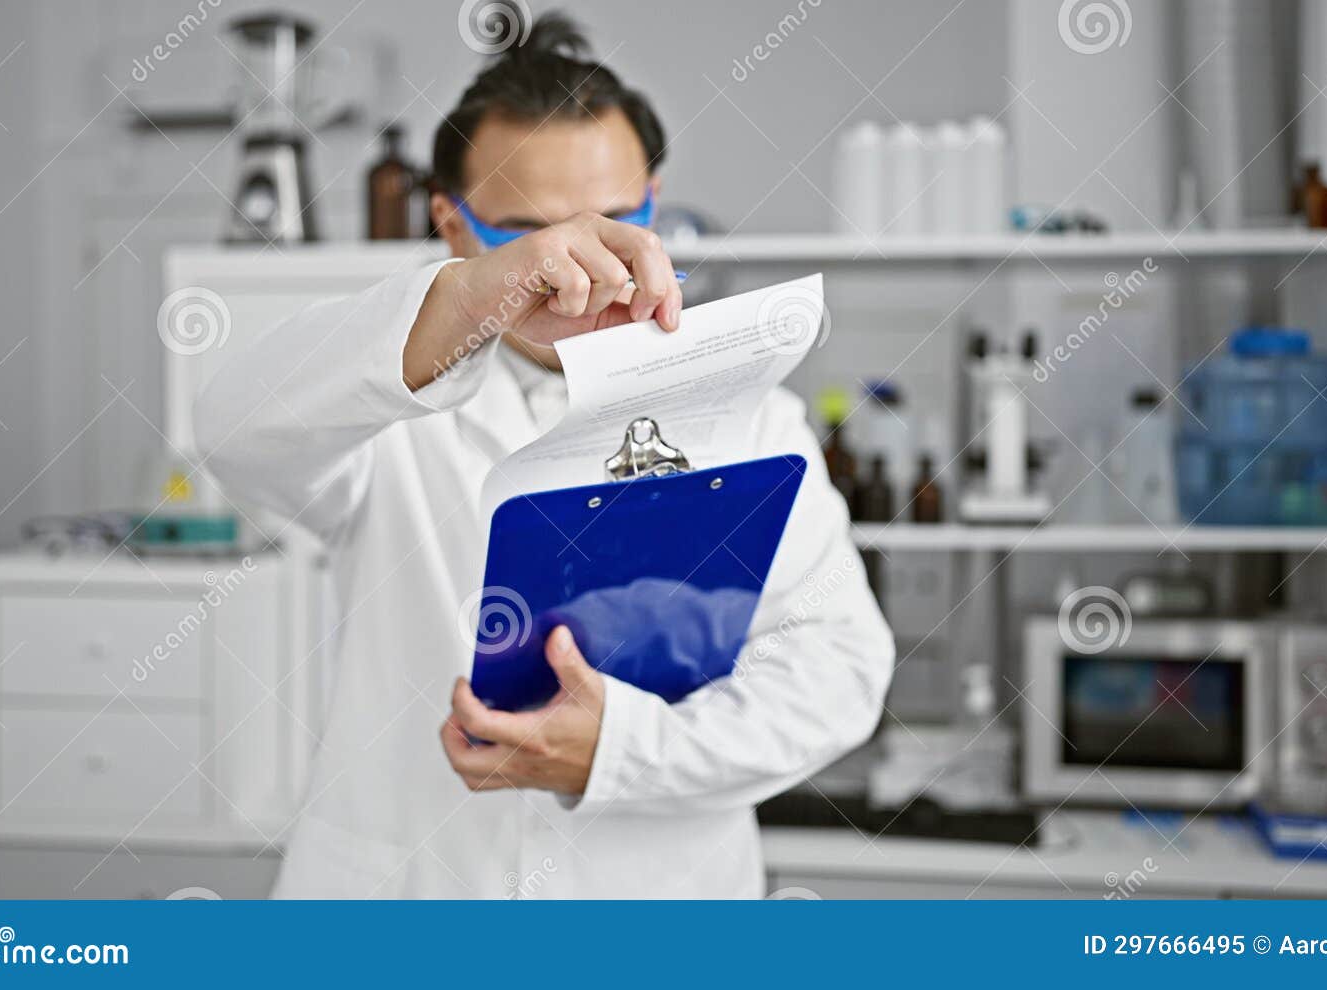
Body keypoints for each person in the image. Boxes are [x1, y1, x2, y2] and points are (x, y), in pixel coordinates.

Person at [195, 11, 891, 899]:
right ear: (451, 226)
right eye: (524, 235)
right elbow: (233, 429)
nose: (579, 271)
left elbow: (839, 673)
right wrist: (464, 302)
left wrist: (625, 751)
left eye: (615, 221)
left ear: (655, 201)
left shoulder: (757, 420)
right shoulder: (386, 407)